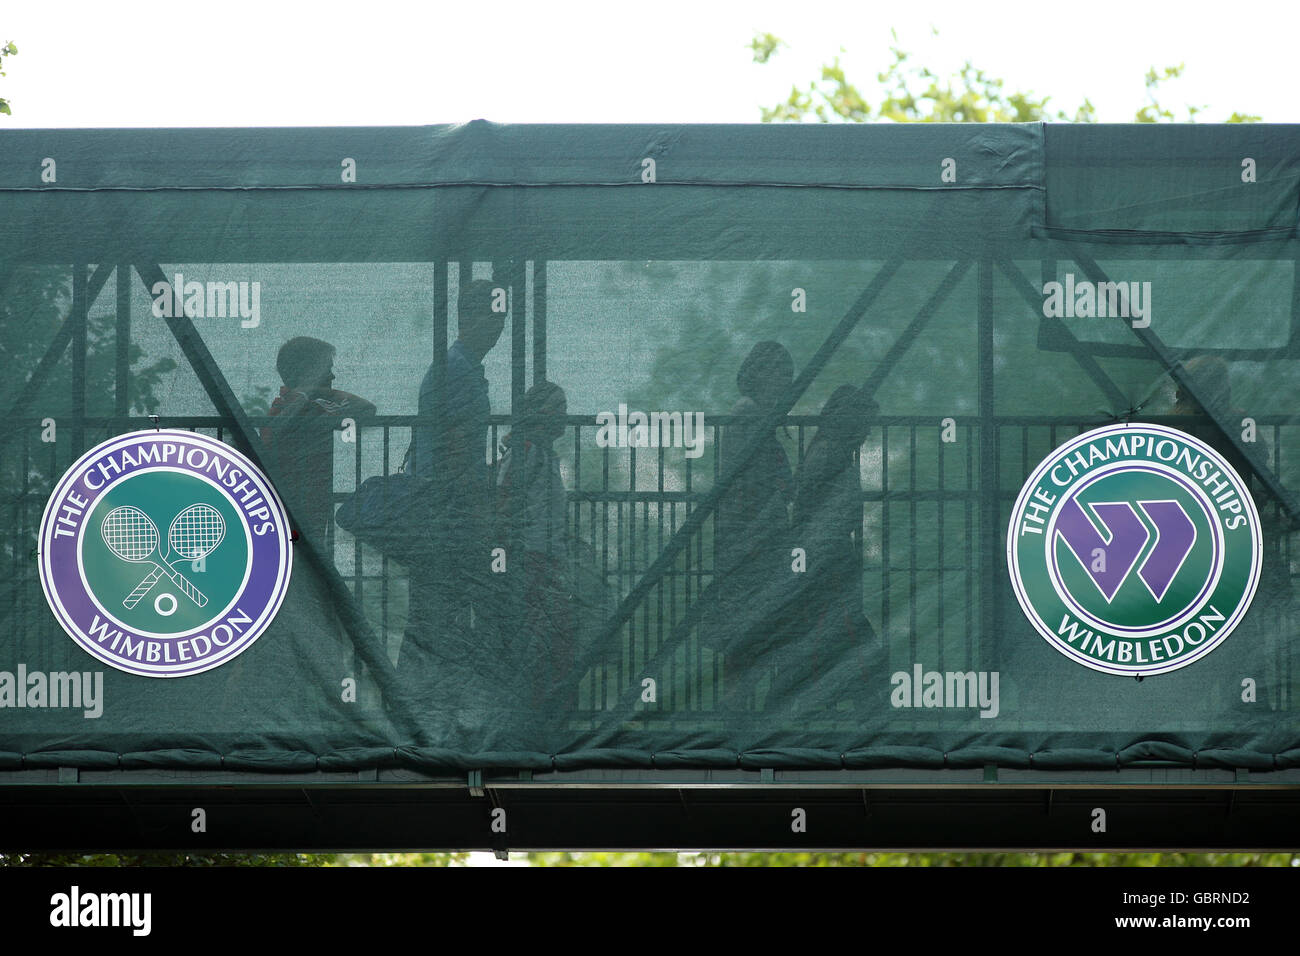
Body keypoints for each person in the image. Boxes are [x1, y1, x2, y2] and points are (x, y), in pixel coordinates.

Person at [399, 280, 507, 697]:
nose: (497, 326)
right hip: (451, 512)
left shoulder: (453, 367)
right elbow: (457, 447)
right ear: (465, 317)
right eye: (490, 315)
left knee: (434, 611)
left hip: (439, 508)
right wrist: (481, 508)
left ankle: (416, 704)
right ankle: (425, 705)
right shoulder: (459, 371)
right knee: (445, 611)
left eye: (501, 317)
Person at [776, 385, 878, 706]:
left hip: (824, 557)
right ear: (849, 421)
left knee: (830, 639)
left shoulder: (826, 452)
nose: (867, 432)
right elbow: (813, 513)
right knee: (849, 638)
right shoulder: (830, 456)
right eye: (863, 423)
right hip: (827, 559)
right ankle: (873, 706)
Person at [708, 341, 795, 711]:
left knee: (754, 629)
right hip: (751, 539)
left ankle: (742, 710)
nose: (786, 384)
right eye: (781, 375)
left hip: (755, 536)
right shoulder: (749, 415)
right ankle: (740, 712)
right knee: (749, 630)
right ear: (760, 375)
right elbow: (752, 479)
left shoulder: (755, 415)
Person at [495, 380, 573, 709]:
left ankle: (537, 714)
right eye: (558, 408)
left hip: (545, 558)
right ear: (539, 413)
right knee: (545, 643)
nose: (564, 416)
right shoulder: (526, 452)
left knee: (550, 643)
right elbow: (502, 502)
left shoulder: (542, 455)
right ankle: (534, 714)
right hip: (532, 560)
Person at [260, 336, 376, 546]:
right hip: (303, 505)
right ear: (310, 371)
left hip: (284, 504)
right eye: (327, 369)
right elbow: (366, 409)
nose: (333, 375)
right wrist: (319, 391)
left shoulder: (283, 405)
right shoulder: (309, 407)